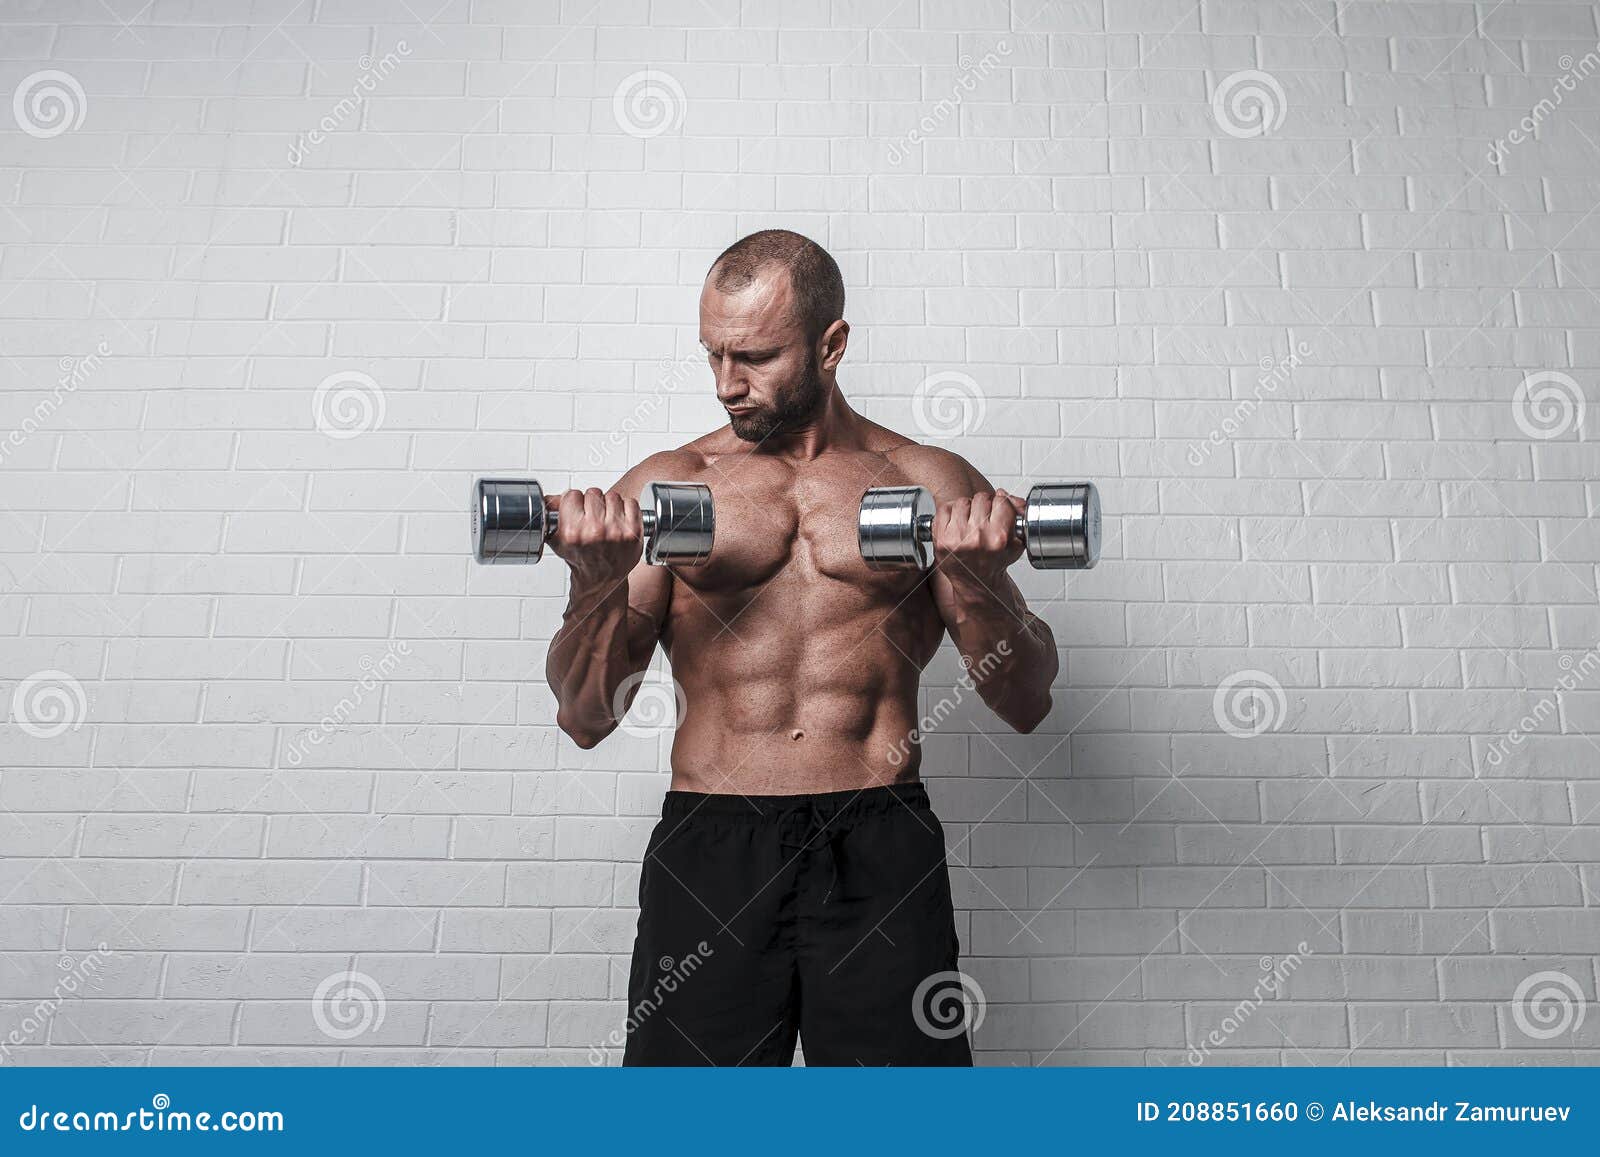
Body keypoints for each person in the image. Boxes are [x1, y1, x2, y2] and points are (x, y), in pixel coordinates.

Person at [544, 229, 1058, 1065]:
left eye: (754, 357)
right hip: (712, 846)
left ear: (833, 344)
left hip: (879, 844)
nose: (725, 385)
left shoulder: (925, 481)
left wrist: (981, 578)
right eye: (712, 355)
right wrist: (595, 582)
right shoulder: (672, 485)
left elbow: (1027, 697)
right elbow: (583, 714)